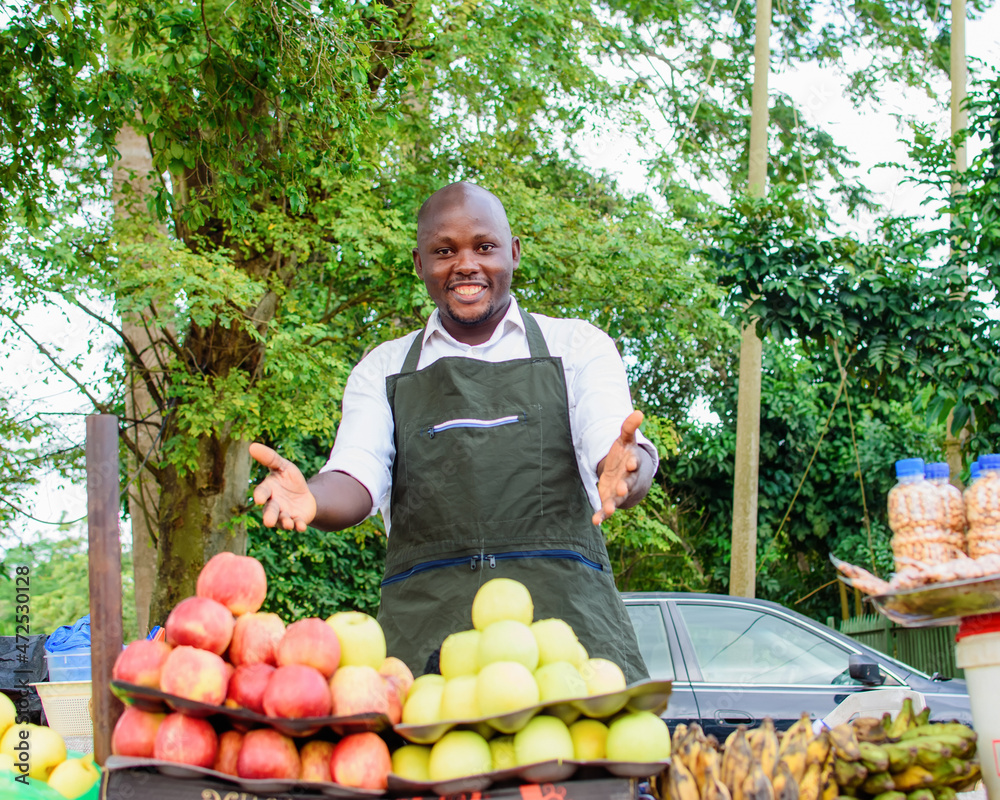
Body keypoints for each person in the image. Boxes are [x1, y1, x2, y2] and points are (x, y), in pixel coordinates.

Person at [250, 182, 658, 682]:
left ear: (513, 253)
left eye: (484, 247)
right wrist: (312, 498)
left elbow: (613, 447)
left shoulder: (576, 347)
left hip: (569, 649)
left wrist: (630, 470)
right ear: (420, 264)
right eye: (444, 251)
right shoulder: (381, 369)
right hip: (427, 655)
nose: (466, 264)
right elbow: (356, 472)